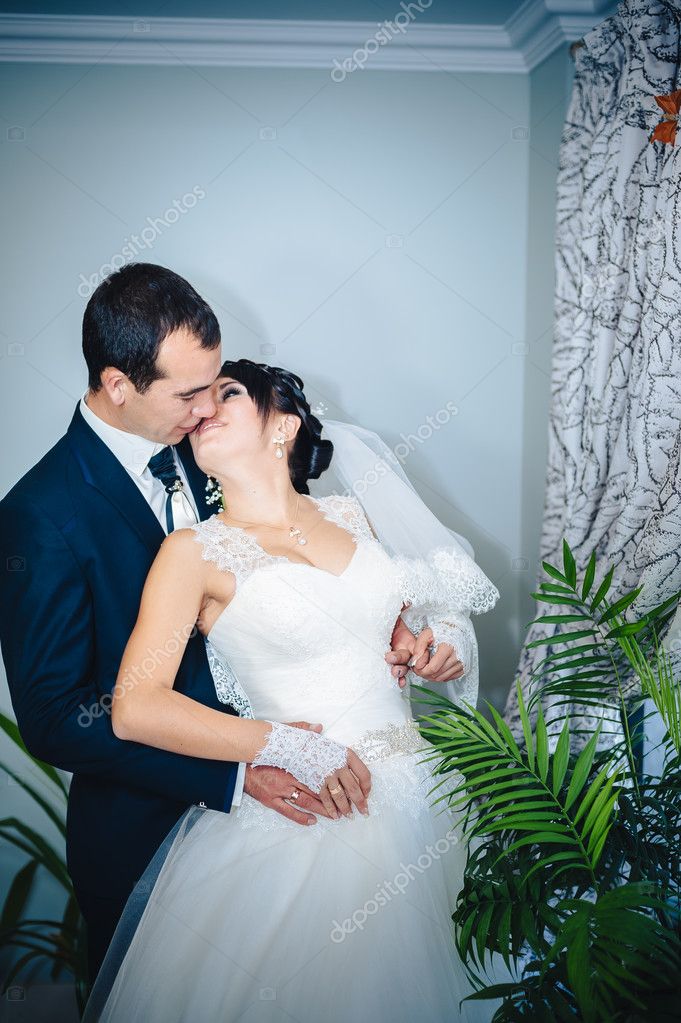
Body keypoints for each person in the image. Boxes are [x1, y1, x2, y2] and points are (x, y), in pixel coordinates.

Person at [0, 263, 458, 984]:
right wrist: (242, 769)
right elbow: (56, 717)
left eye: (216, 385)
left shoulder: (207, 436)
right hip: (153, 828)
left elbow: (313, 576)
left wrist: (392, 634)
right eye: (188, 393)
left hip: (365, 795)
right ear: (119, 384)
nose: (205, 407)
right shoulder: (41, 513)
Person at [81, 356, 500, 1022]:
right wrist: (286, 747)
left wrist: (437, 643)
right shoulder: (190, 551)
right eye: (198, 402)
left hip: (423, 800)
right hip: (303, 815)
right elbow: (135, 706)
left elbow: (412, 622)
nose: (201, 410)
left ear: (283, 423)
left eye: (228, 393)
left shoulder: (354, 518)